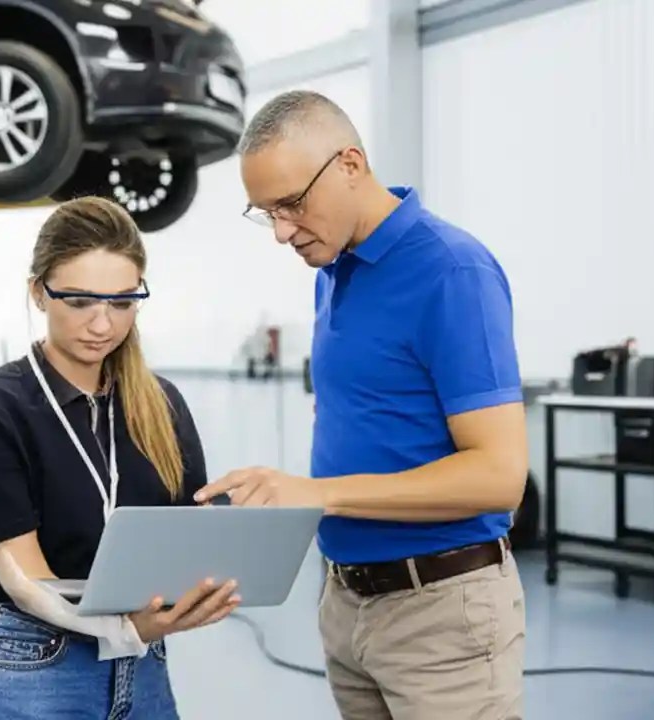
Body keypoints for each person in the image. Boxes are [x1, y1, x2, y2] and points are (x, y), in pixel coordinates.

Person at [196, 90, 529, 719]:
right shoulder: (332, 268)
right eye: (265, 213)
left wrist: (319, 494)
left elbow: (500, 475)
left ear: (350, 164)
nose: (281, 233)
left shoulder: (452, 271)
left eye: (292, 205)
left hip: (441, 613)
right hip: (347, 604)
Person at [0, 196, 241, 720]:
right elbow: (23, 578)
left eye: (123, 302)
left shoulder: (162, 403)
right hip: (40, 664)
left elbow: (191, 533)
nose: (103, 324)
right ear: (39, 293)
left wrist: (219, 562)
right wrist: (125, 629)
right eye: (81, 301)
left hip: (146, 663)